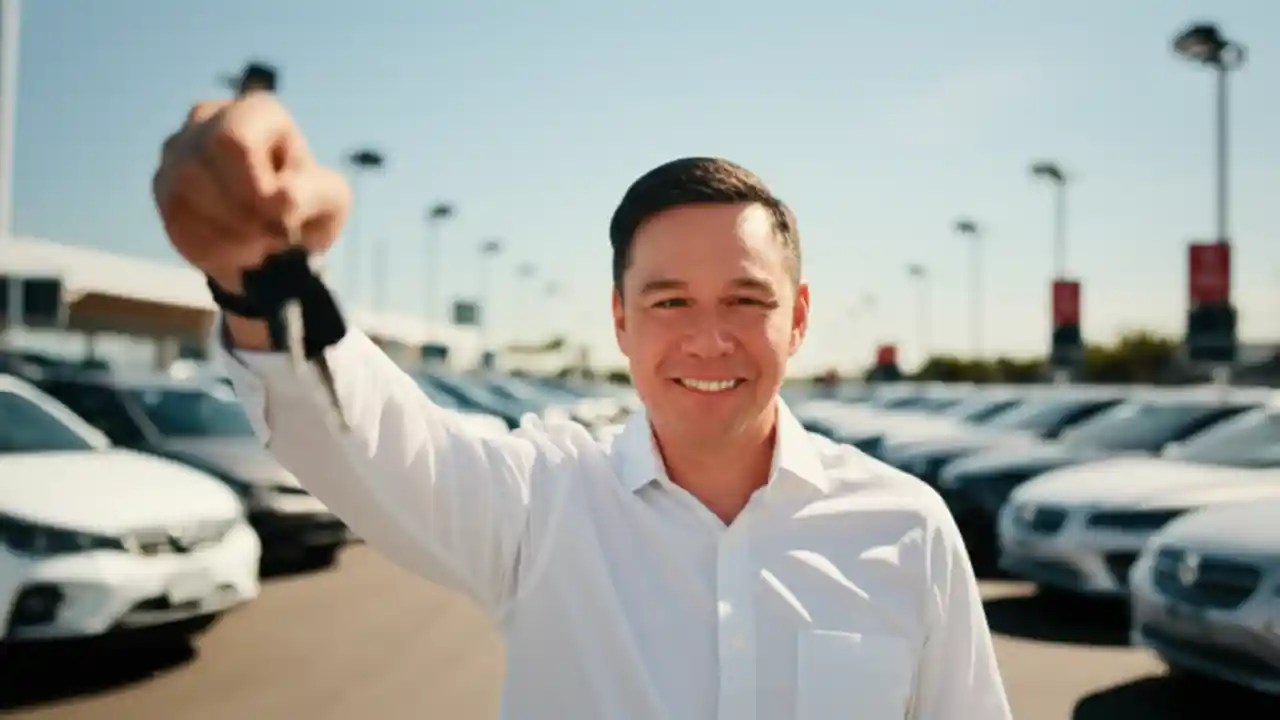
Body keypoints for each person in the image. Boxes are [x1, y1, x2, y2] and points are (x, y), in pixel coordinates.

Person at [152, 92, 1012, 720]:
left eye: (746, 300)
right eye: (670, 302)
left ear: (799, 318)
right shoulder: (544, 503)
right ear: (620, 321)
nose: (708, 339)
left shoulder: (906, 527)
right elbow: (367, 439)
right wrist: (262, 277)